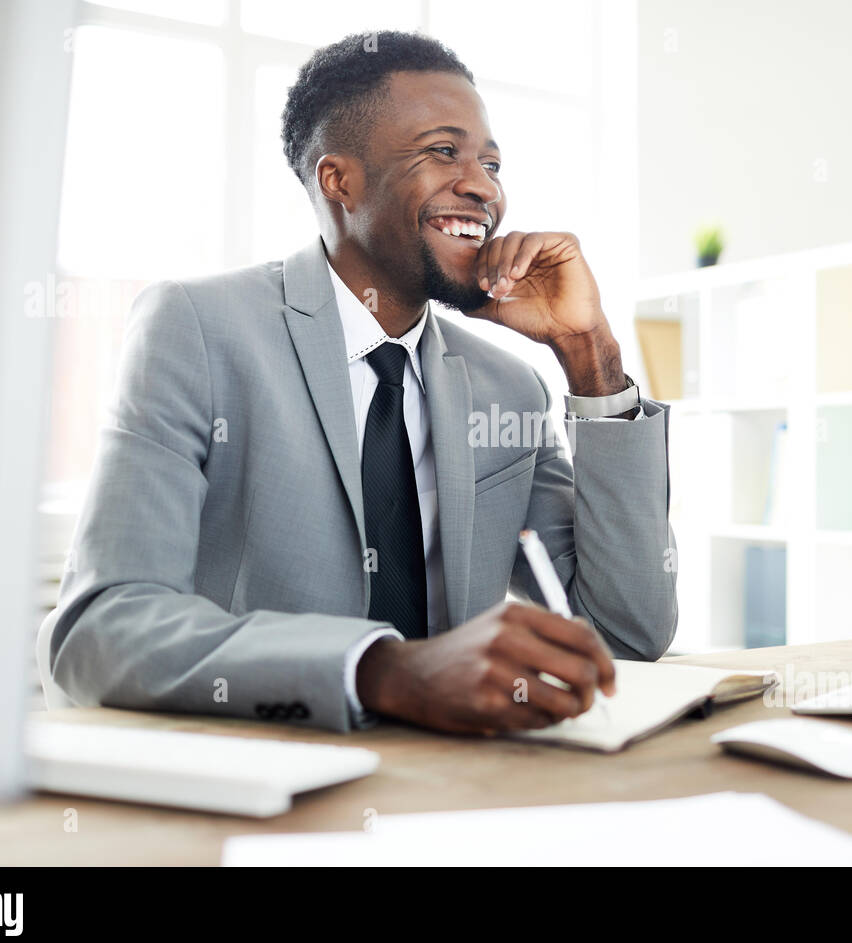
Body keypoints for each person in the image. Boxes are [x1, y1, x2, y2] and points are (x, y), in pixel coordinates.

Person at [42, 30, 677, 736]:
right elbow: (100, 630)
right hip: (265, 781)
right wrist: (384, 672)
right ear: (338, 180)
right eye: (444, 152)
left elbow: (628, 632)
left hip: (456, 788)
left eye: (491, 162)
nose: (482, 186)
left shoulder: (508, 388)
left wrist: (588, 352)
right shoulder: (197, 329)